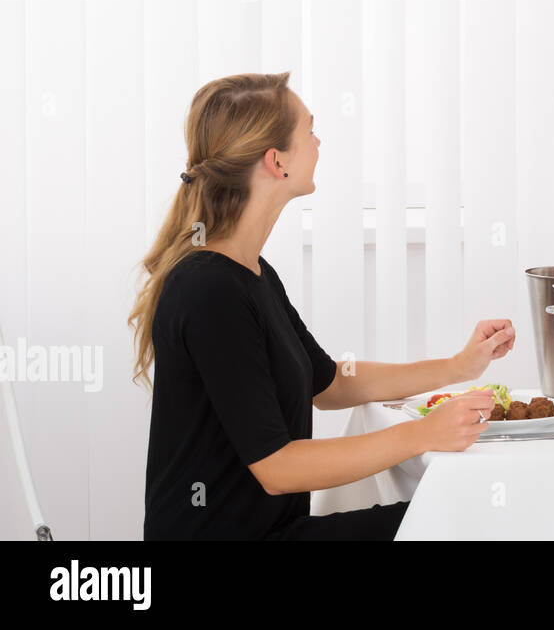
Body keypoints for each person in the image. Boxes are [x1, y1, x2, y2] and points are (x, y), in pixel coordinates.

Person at [129, 72, 514, 540]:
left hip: (272, 530)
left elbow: (329, 381)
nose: (319, 141)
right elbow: (277, 468)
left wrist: (457, 367)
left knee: (457, 513)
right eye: (309, 130)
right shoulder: (210, 289)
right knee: (462, 520)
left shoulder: (251, 272)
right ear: (277, 162)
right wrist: (423, 434)